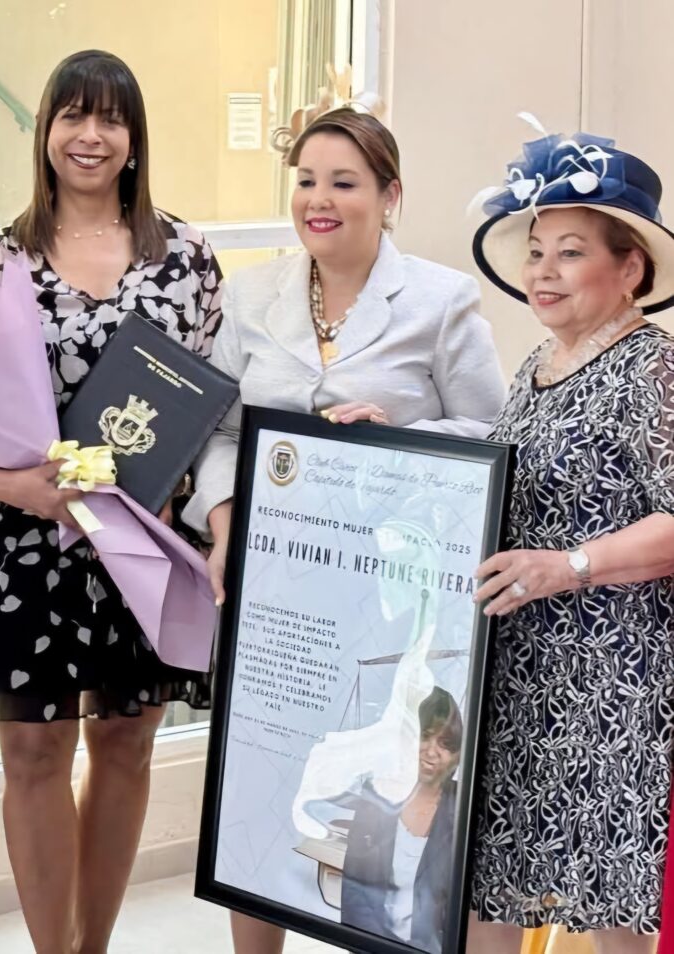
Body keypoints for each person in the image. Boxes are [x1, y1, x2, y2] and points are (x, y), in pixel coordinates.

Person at [0, 49, 221, 954]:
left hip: (139, 549)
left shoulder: (188, 258)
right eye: (72, 116)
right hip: (25, 545)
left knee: (125, 750)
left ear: (133, 138)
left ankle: (93, 946)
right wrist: (11, 483)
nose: (90, 135)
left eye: (109, 118)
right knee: (35, 757)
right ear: (45, 132)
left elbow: (213, 407)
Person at [181, 88, 504, 954]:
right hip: (273, 583)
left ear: (389, 195)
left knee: (378, 794)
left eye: (346, 183)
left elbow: (493, 434)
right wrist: (222, 520)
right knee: (259, 783)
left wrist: (401, 435)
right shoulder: (251, 299)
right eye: (306, 181)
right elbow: (217, 430)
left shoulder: (440, 301)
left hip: (387, 603)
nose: (319, 201)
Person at [467, 131, 674, 954]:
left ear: (630, 270)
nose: (542, 271)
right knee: (496, 886)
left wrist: (571, 566)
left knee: (613, 906)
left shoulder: (652, 369)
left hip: (612, 684)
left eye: (570, 253)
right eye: (536, 251)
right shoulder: (537, 364)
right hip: (522, 675)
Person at [339, 687, 461, 953]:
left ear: (457, 755)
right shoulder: (378, 794)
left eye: (445, 744)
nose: (431, 752)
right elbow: (355, 894)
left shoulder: (462, 809)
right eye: (425, 737)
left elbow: (458, 916)